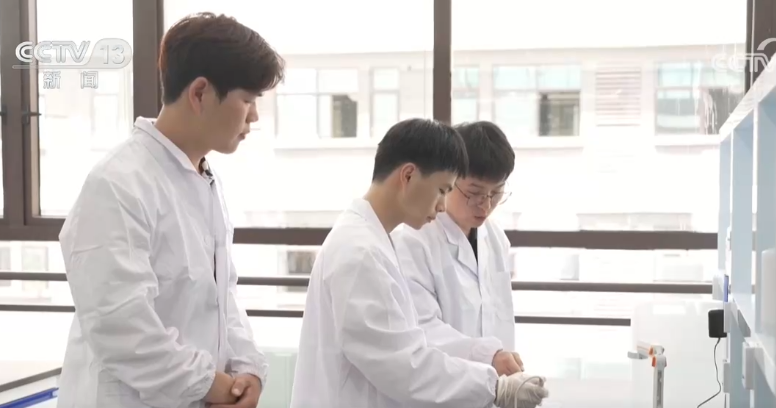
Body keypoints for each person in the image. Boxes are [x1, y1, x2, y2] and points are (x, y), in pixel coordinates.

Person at [56, 13, 285, 408]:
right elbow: (120, 326)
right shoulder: (118, 183)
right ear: (200, 93)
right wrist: (210, 385)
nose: (254, 117)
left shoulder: (204, 179)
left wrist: (247, 368)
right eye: (247, 100)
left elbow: (222, 297)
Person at [289, 118, 549, 408]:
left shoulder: (371, 241)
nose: (442, 205)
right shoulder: (360, 252)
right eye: (442, 190)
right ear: (409, 176)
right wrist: (494, 386)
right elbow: (404, 366)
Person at [392, 121, 521, 375]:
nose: (485, 205)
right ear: (450, 179)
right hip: (443, 383)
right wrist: (487, 355)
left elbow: (500, 317)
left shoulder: (495, 238)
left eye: (496, 193)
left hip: (494, 384)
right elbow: (422, 328)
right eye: (474, 193)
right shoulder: (414, 240)